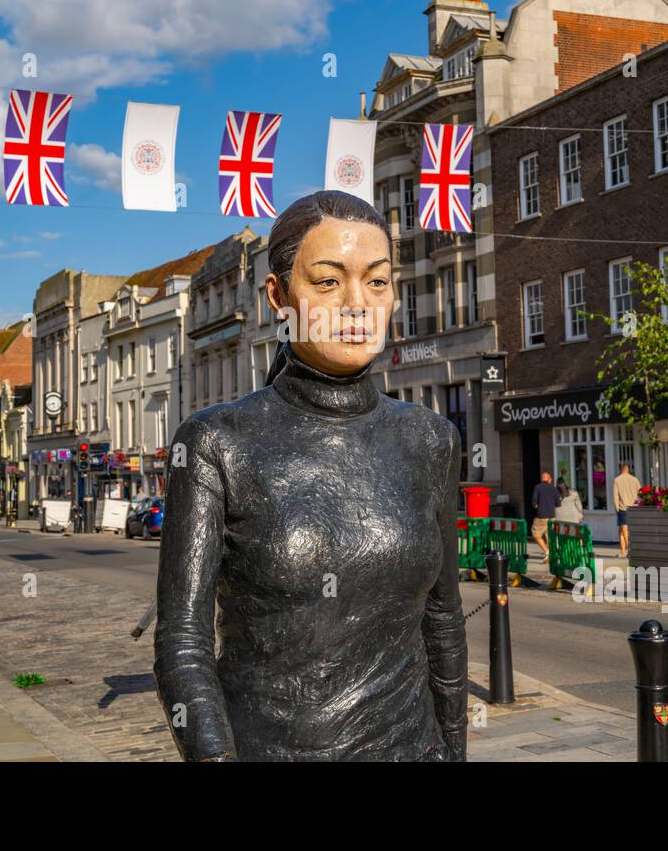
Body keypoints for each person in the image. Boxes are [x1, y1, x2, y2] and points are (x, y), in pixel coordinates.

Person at [154, 190, 466, 762]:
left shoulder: (430, 439)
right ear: (279, 295)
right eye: (327, 282)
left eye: (376, 282)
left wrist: (453, 751)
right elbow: (183, 641)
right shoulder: (216, 442)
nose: (356, 303)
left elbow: (442, 622)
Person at [528, 471, 561, 565]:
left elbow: (534, 502)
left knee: (536, 534)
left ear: (542, 478)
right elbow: (558, 504)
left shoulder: (538, 487)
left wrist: (537, 506)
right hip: (552, 516)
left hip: (541, 516)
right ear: (549, 479)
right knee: (549, 536)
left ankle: (547, 552)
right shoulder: (554, 489)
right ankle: (549, 556)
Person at [613, 462, 641, 559]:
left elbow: (615, 496)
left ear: (620, 469)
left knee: (624, 531)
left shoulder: (617, 480)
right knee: (622, 531)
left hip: (623, 508)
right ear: (628, 468)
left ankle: (629, 550)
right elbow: (640, 493)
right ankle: (623, 551)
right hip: (634, 508)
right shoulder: (635, 480)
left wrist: (616, 509)